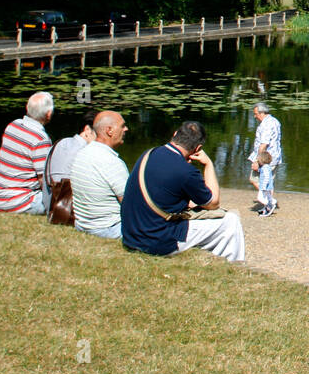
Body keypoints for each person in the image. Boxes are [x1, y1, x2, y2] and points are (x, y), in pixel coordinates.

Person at [121, 121, 245, 262]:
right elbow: (213, 203)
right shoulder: (187, 172)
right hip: (155, 241)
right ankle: (235, 265)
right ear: (198, 148)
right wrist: (208, 164)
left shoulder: (148, 154)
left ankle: (217, 261)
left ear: (174, 135)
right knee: (230, 221)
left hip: (131, 235)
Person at [71, 110, 130, 238]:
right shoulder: (111, 162)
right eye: (122, 126)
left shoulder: (82, 153)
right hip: (108, 229)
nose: (126, 129)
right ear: (109, 130)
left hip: (82, 225)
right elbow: (129, 204)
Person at [0, 91, 54, 214]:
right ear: (49, 114)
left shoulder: (12, 125)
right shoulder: (41, 139)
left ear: (27, 108)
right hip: (22, 201)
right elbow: (44, 180)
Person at [45, 109, 97, 184]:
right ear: (87, 130)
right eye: (99, 133)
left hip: (50, 195)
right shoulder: (86, 153)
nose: (102, 139)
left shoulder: (58, 143)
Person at [249, 102, 282, 216]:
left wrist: (257, 162)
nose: (255, 116)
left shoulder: (266, 125)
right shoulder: (275, 121)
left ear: (262, 113)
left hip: (266, 159)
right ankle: (268, 203)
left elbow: (263, 144)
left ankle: (269, 202)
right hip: (275, 157)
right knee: (268, 182)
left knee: (255, 180)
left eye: (256, 114)